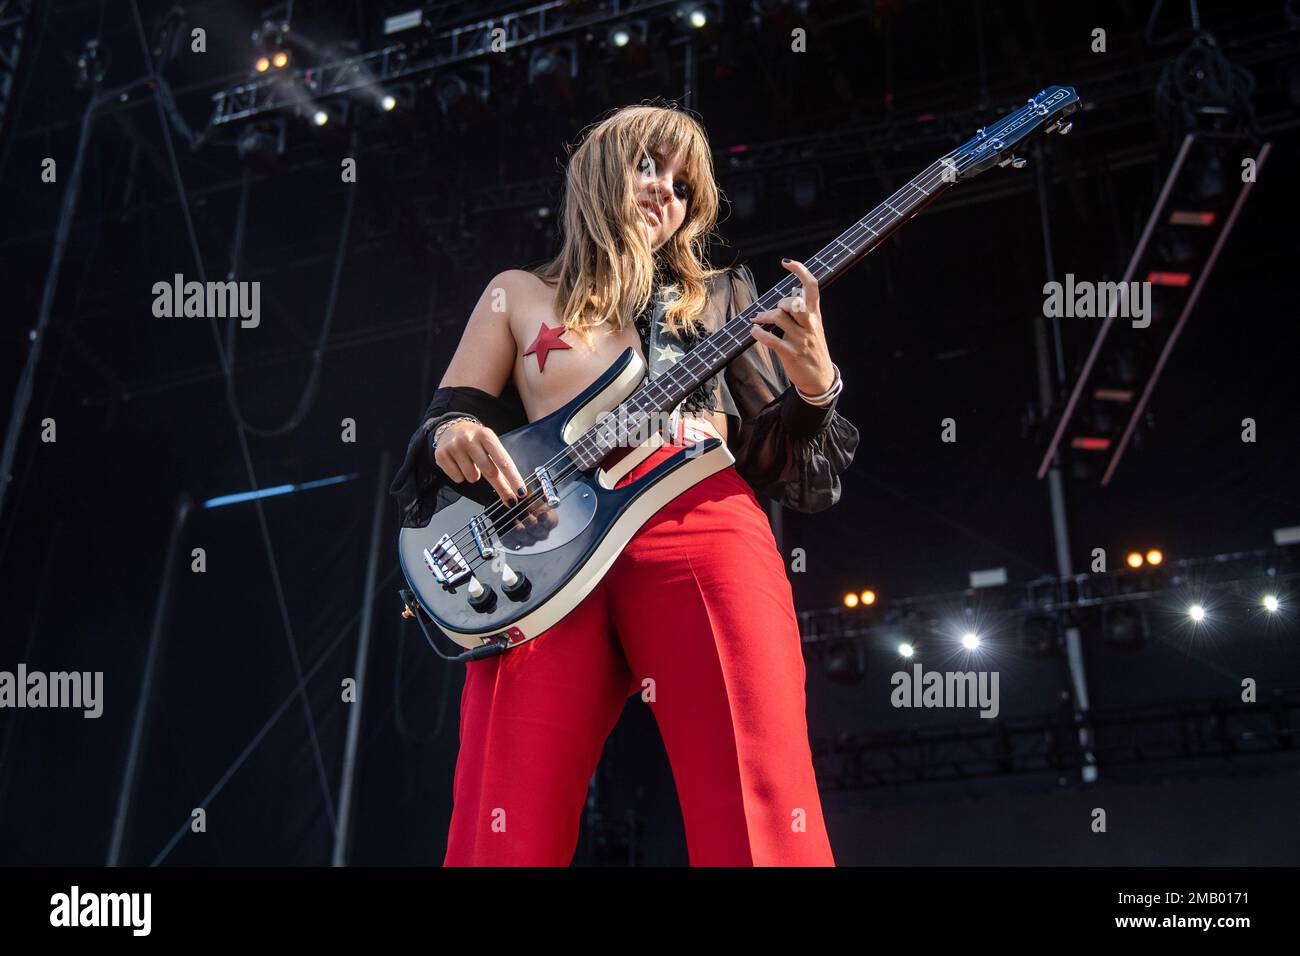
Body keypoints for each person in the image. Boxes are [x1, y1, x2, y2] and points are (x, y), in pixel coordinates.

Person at [389, 103, 859, 866]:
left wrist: (816, 388)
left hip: (700, 525)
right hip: (543, 545)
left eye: (682, 185)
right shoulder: (518, 294)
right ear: (598, 174)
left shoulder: (720, 295)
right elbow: (444, 426)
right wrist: (456, 436)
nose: (665, 191)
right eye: (649, 166)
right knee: (503, 812)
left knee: (755, 786)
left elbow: (784, 464)